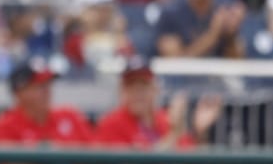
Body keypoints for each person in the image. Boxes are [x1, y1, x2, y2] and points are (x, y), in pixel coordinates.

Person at [94, 58, 222, 150]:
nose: (138, 94)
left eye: (143, 87)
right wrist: (174, 134)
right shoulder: (111, 123)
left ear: (155, 90)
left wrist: (200, 133)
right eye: (131, 87)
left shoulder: (165, 119)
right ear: (122, 91)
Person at [0, 61, 93, 145]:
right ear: (20, 93)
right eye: (40, 86)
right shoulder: (6, 125)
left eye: (48, 84)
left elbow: (94, 156)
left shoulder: (70, 115)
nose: (47, 91)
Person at [61, 0, 133, 69]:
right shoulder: (74, 41)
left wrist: (120, 36)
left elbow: (128, 61)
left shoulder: (119, 38)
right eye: (95, 9)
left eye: (106, 10)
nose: (102, 15)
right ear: (81, 12)